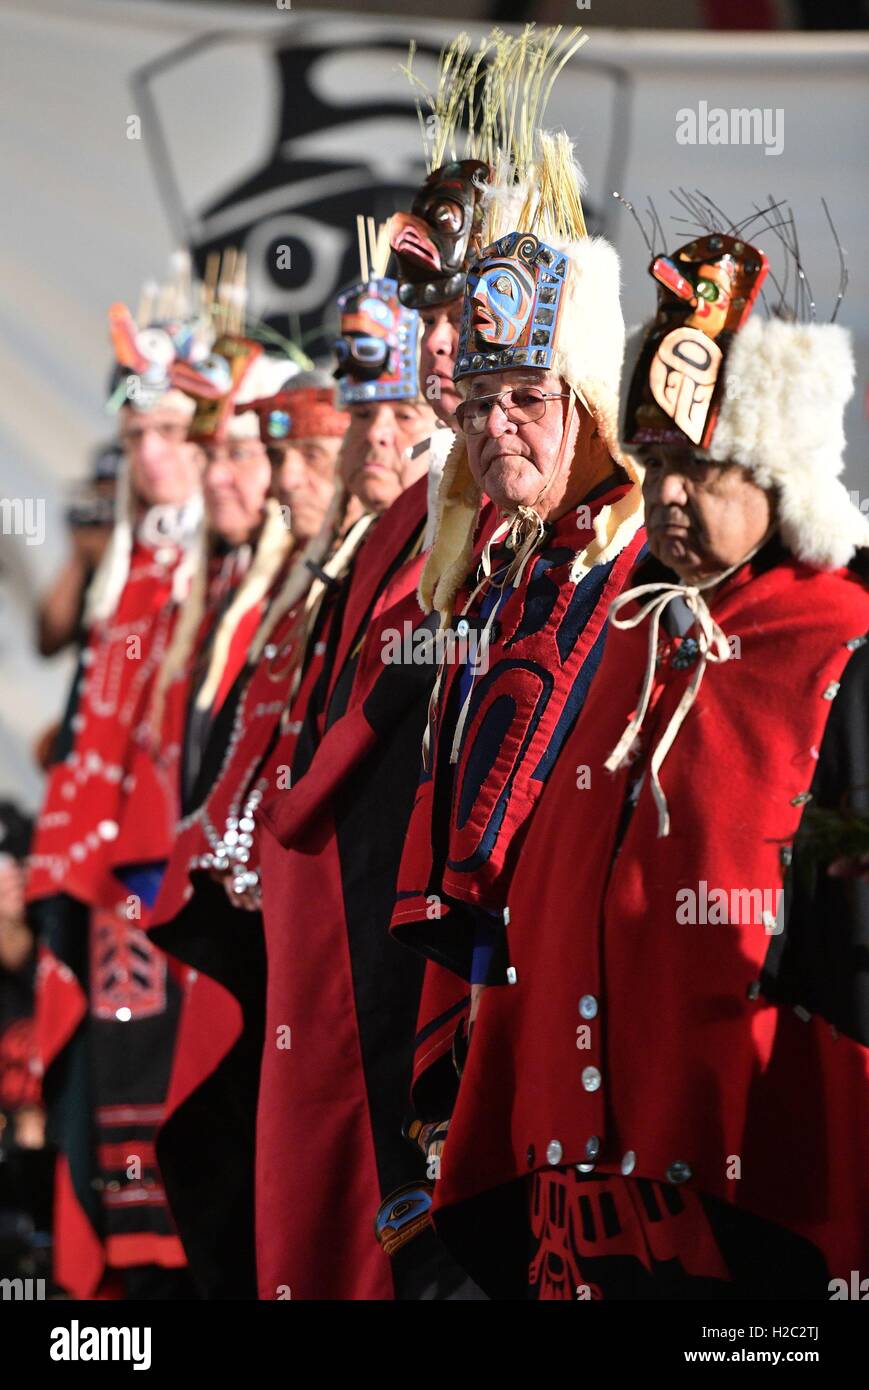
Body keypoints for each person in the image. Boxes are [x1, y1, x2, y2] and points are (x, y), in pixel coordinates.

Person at [417, 214, 869, 1299]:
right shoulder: (628, 625)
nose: (666, 494)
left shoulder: (841, 644)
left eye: (702, 468)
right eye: (655, 460)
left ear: (780, 476)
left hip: (754, 1169)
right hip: (581, 1165)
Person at [390, 116, 646, 1178]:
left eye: (528, 400)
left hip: (610, 1009)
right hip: (504, 995)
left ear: (587, 407)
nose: (498, 426)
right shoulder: (500, 570)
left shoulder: (637, 577)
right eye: (482, 404)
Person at [145, 367, 349, 1298]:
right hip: (233, 915)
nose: (276, 479)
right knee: (215, 1168)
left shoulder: (361, 576)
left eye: (304, 455)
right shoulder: (281, 587)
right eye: (275, 456)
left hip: (318, 928)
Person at [25, 261, 207, 1300]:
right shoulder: (127, 564)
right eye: (135, 435)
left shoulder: (218, 566)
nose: (148, 455)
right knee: (96, 1135)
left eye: (167, 434)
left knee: (170, 1145)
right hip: (97, 893)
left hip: (161, 889)